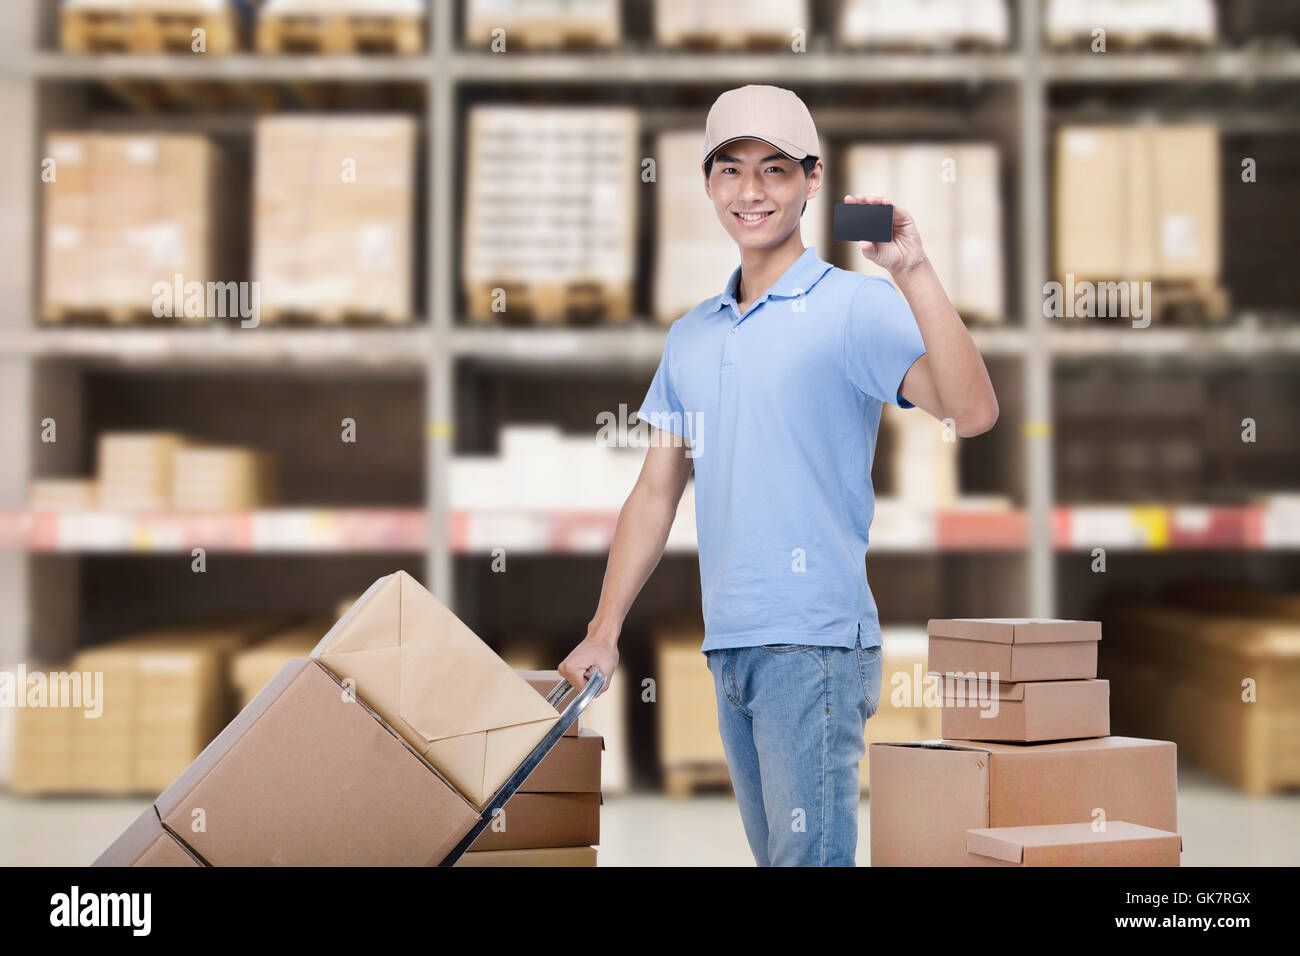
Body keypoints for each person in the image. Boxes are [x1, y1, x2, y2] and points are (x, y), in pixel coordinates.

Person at [558, 84, 999, 866]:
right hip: (730, 644)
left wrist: (915, 271)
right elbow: (656, 492)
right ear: (707, 183)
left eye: (775, 169)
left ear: (812, 179)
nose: (751, 191)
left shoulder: (854, 308)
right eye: (730, 169)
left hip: (814, 645)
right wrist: (603, 630)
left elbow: (972, 411)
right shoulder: (691, 336)